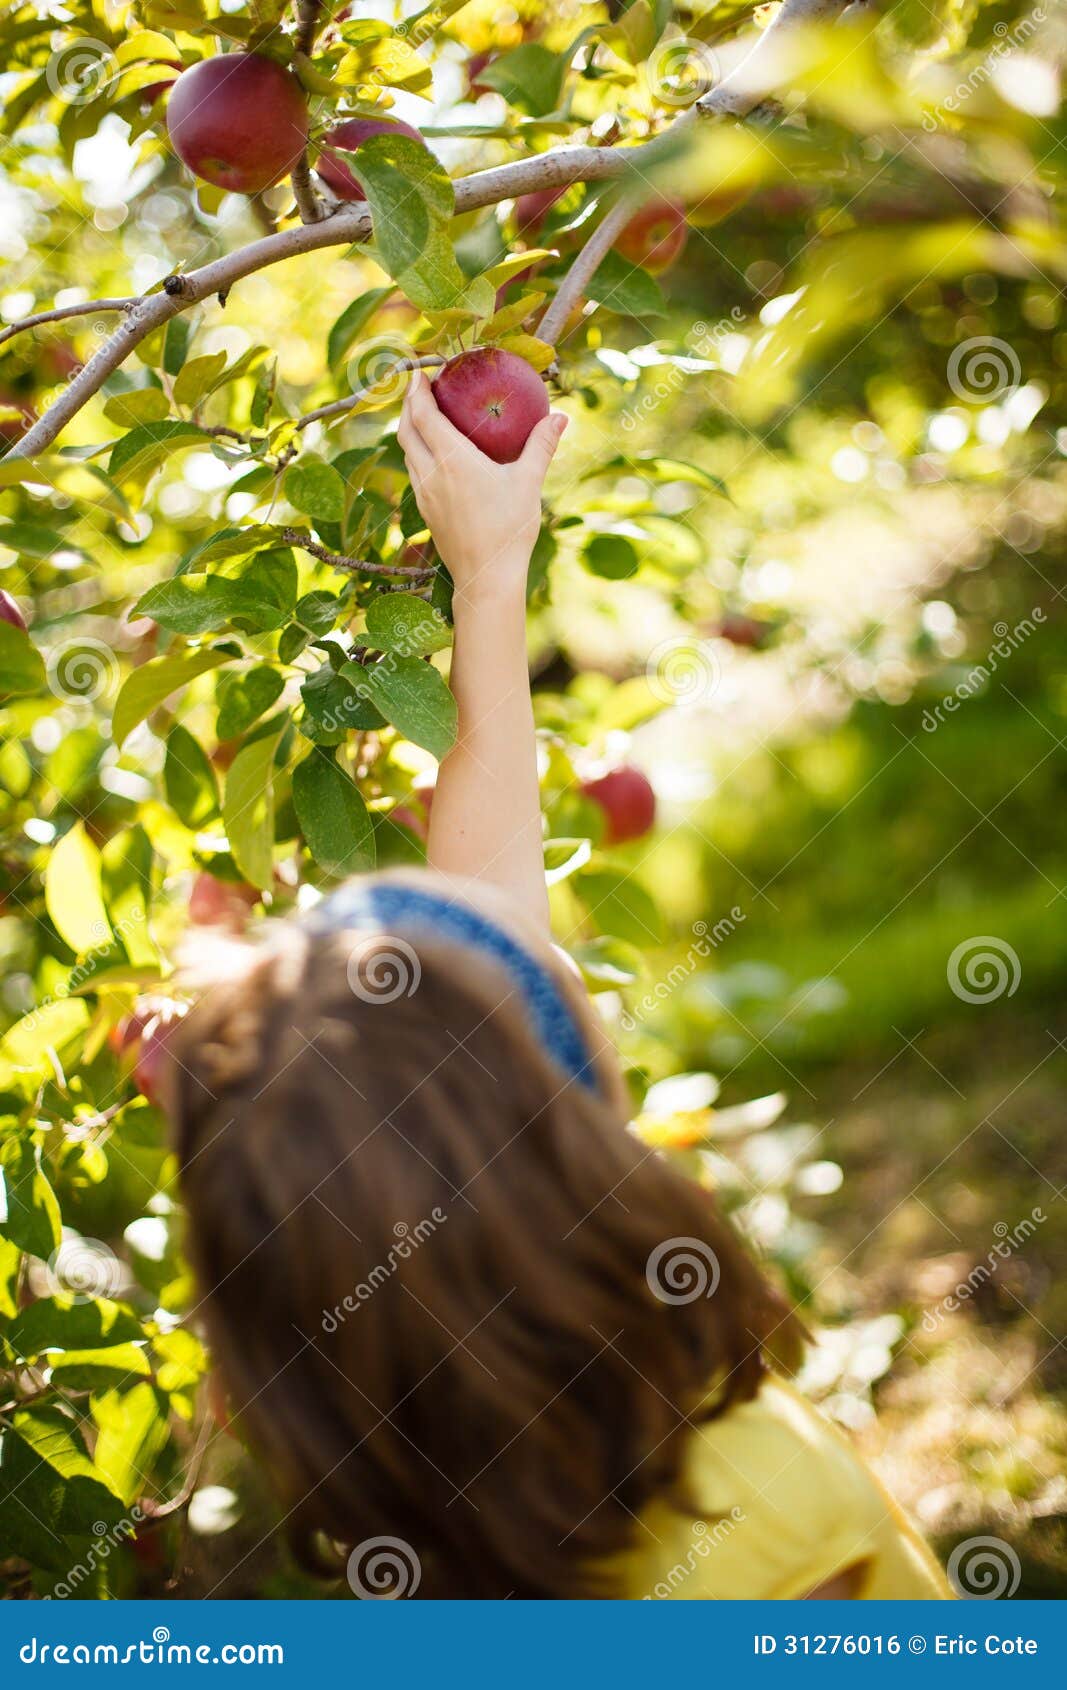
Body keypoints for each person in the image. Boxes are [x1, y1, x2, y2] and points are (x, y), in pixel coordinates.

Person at [166, 372, 951, 1601]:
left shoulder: (431, 1558)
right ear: (569, 1164)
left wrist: (487, 580)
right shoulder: (766, 1531)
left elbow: (486, 956)